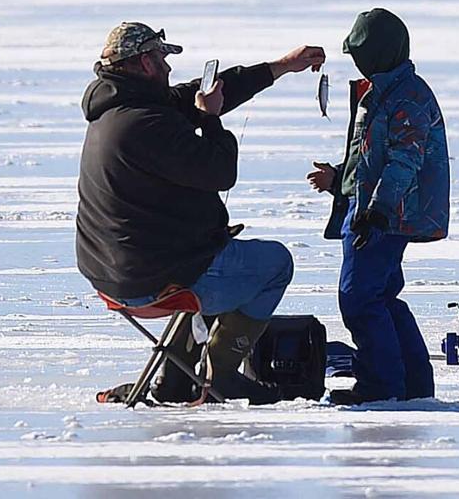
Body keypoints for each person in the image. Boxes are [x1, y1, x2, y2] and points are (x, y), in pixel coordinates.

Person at [76, 22, 325, 405]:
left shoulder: (119, 109)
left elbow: (199, 95)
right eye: (162, 58)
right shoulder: (145, 124)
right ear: (145, 63)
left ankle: (175, 380)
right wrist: (210, 119)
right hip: (150, 279)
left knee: (216, 252)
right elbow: (221, 171)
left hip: (111, 273)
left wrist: (279, 67)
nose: (168, 66)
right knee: (275, 263)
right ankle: (218, 376)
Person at [307, 8, 449, 405]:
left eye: (360, 54)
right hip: (369, 205)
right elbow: (369, 156)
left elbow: (405, 160)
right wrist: (340, 179)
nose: (356, 62)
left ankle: (381, 387)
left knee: (360, 297)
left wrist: (378, 210)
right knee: (381, 295)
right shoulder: (381, 90)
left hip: (384, 214)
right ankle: (413, 384)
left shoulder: (408, 96)